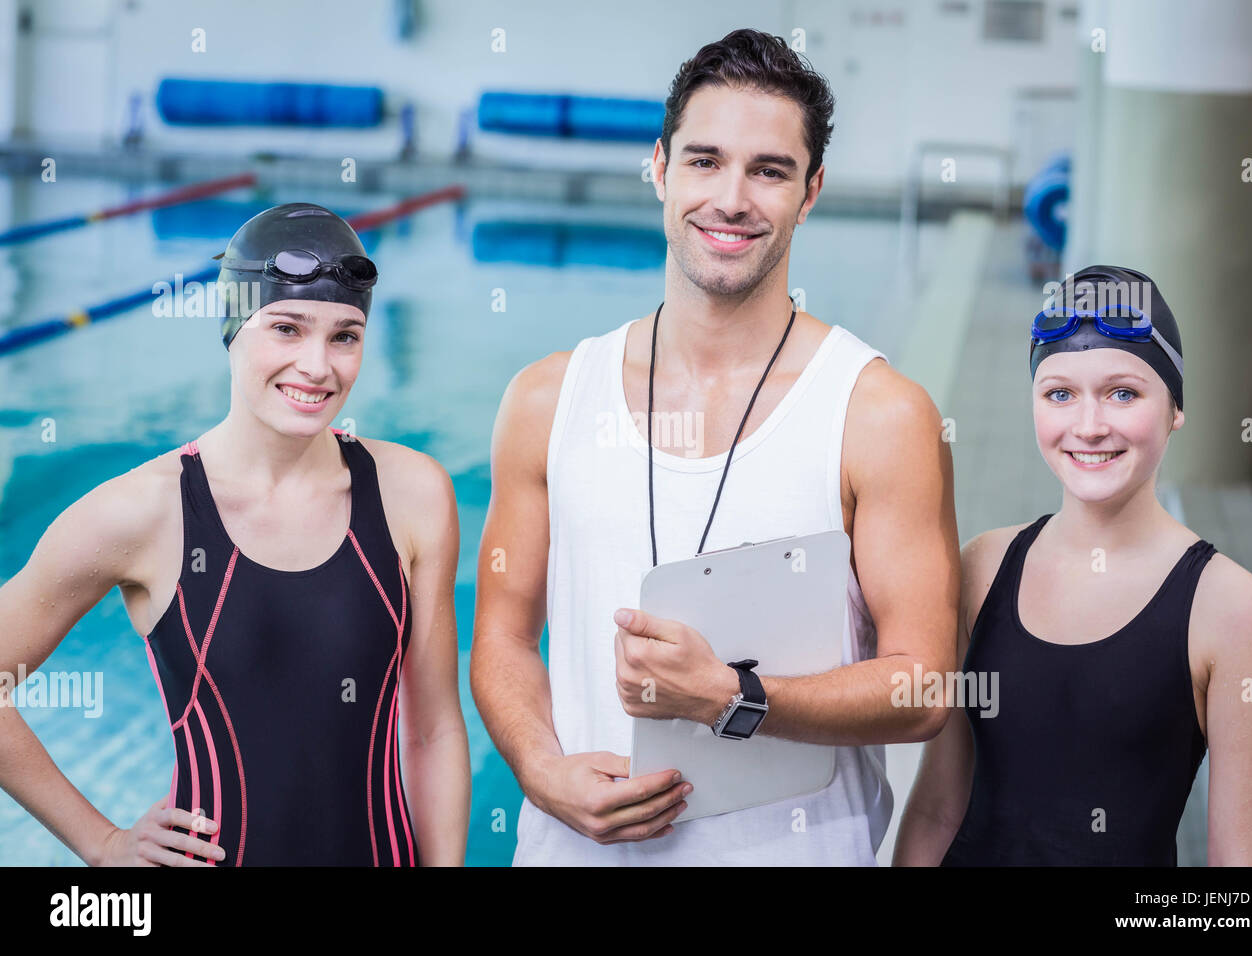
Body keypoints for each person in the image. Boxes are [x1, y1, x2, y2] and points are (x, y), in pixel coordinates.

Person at [471, 29, 960, 866]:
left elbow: (923, 687)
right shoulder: (549, 399)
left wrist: (734, 697)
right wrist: (542, 770)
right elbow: (504, 638)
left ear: (810, 193)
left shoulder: (877, 413)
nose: (731, 199)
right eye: (704, 161)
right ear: (660, 168)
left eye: (768, 171)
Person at [0, 203, 469, 866]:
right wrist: (103, 844)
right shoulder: (142, 512)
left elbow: (434, 730)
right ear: (231, 327)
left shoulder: (415, 493)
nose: (318, 366)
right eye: (286, 328)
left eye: (345, 336)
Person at [895, 265, 1252, 866]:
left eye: (1123, 393)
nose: (1088, 426)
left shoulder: (1232, 610)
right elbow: (936, 809)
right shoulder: (983, 567)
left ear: (1176, 408)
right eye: (1060, 393)